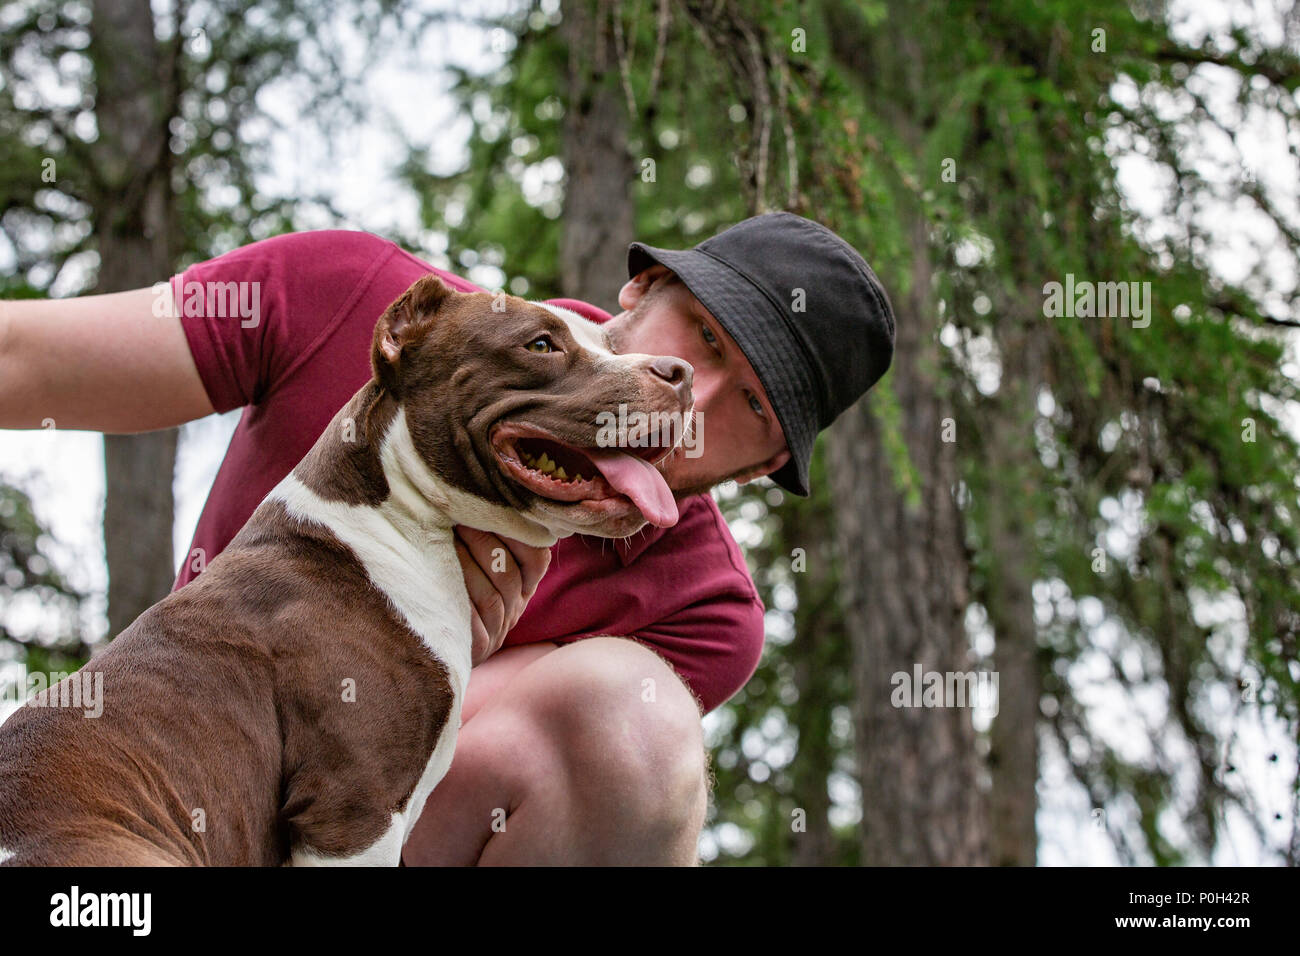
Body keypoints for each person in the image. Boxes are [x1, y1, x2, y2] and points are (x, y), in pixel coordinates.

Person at [0, 211, 894, 865]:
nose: (691, 400)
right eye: (701, 334)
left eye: (748, 406)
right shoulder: (363, 301)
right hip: (158, 797)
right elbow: (22, 362)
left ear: (760, 467)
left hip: (379, 825)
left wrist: (432, 632)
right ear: (642, 287)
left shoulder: (706, 607)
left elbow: (388, 769)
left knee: (636, 719)